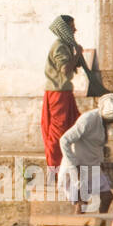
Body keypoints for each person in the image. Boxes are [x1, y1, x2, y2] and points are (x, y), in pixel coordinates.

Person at [58, 93, 113, 215]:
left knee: (107, 197)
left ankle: (101, 222)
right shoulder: (88, 119)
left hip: (92, 166)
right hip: (78, 167)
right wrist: (74, 165)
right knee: (82, 203)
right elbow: (64, 140)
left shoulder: (103, 122)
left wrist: (100, 162)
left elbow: (96, 145)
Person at [41, 14, 83, 173]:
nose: (75, 30)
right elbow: (65, 69)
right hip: (58, 94)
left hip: (62, 92)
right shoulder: (59, 46)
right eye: (72, 27)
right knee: (58, 132)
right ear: (65, 29)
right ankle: (55, 168)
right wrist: (77, 54)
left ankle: (66, 165)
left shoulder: (64, 46)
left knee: (71, 126)